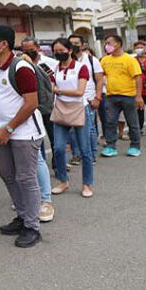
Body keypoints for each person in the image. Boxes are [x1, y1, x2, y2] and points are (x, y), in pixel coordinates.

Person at [0, 24, 44, 248]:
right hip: (3, 132)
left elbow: (31, 104)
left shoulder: (21, 68)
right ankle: (22, 216)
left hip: (24, 133)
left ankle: (32, 226)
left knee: (26, 178)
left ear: (3, 44)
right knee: (7, 174)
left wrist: (9, 128)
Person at [48, 38, 94, 198]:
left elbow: (79, 91)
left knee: (85, 150)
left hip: (79, 109)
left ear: (69, 50)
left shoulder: (81, 68)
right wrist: (57, 90)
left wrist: (59, 91)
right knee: (59, 148)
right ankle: (62, 180)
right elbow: (51, 86)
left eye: (62, 51)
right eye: (56, 51)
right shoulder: (55, 68)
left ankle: (87, 184)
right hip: (61, 110)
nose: (59, 54)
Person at [18, 39, 56, 223]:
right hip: (23, 120)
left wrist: (39, 110)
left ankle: (45, 199)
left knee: (41, 156)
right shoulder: (17, 65)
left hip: (40, 114)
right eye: (24, 50)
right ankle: (32, 196)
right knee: (30, 161)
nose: (27, 52)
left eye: (31, 50)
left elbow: (48, 89)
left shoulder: (43, 66)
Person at [99, 35, 144, 158]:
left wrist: (139, 96)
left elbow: (138, 78)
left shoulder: (129, 60)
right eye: (105, 43)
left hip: (128, 96)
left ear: (118, 43)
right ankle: (111, 146)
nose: (106, 45)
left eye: (109, 42)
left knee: (132, 122)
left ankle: (135, 146)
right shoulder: (104, 60)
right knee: (110, 122)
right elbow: (99, 76)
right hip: (111, 96)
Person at [69, 34, 104, 163]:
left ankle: (91, 154)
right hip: (72, 100)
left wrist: (98, 97)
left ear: (82, 45)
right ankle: (76, 154)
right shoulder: (66, 61)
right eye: (71, 42)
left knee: (89, 129)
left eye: (76, 43)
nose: (73, 45)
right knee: (73, 130)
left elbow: (99, 80)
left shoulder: (91, 60)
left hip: (89, 99)